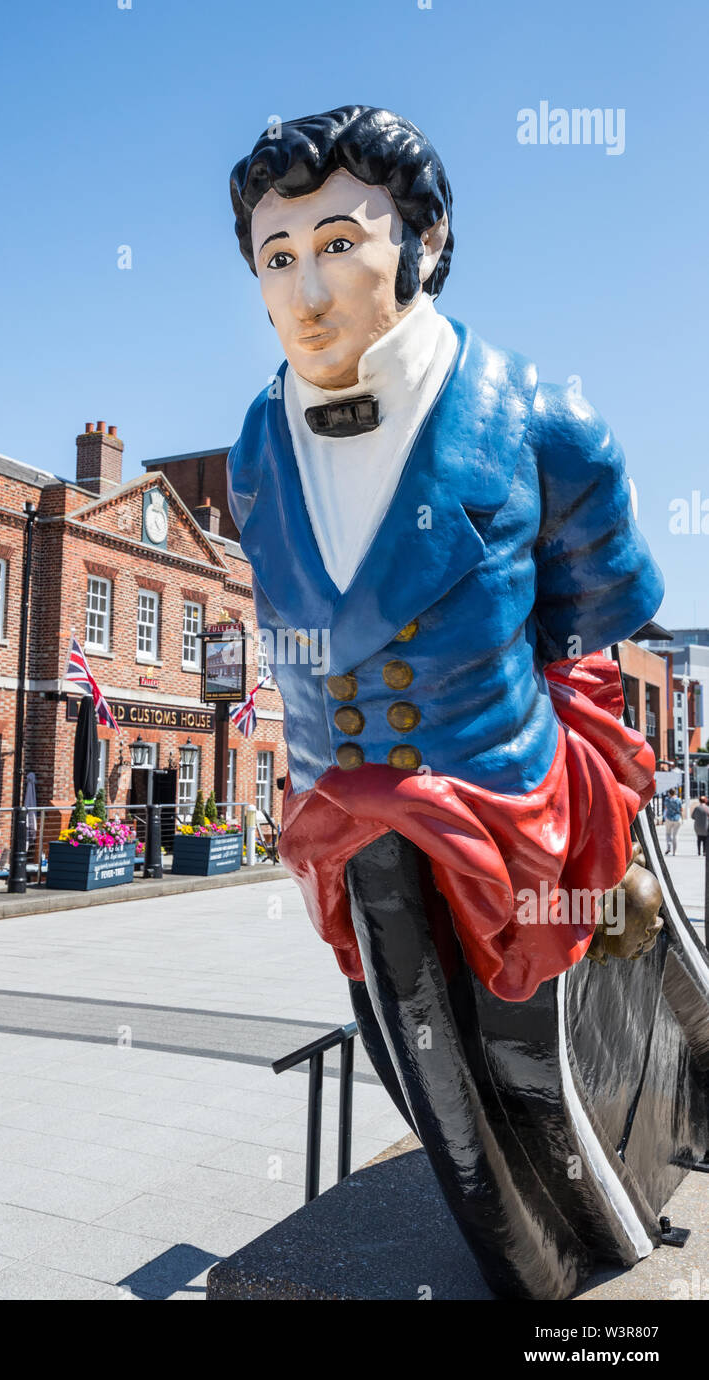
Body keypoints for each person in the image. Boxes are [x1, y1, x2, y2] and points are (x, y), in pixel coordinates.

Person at [226, 105, 708, 1300]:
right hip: (338, 817)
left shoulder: (543, 421)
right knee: (411, 1052)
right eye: (276, 257)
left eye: (340, 242)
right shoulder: (250, 447)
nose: (305, 289)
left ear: (422, 243)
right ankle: (530, 1252)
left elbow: (595, 616)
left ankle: (587, 1236)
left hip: (503, 805)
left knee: (526, 1059)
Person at [663, 788, 683, 854]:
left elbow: (665, 808)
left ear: (669, 793)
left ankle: (668, 847)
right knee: (675, 835)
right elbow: (681, 809)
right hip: (677, 818)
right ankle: (675, 851)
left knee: (668, 833)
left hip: (669, 818)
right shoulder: (679, 800)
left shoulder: (667, 799)